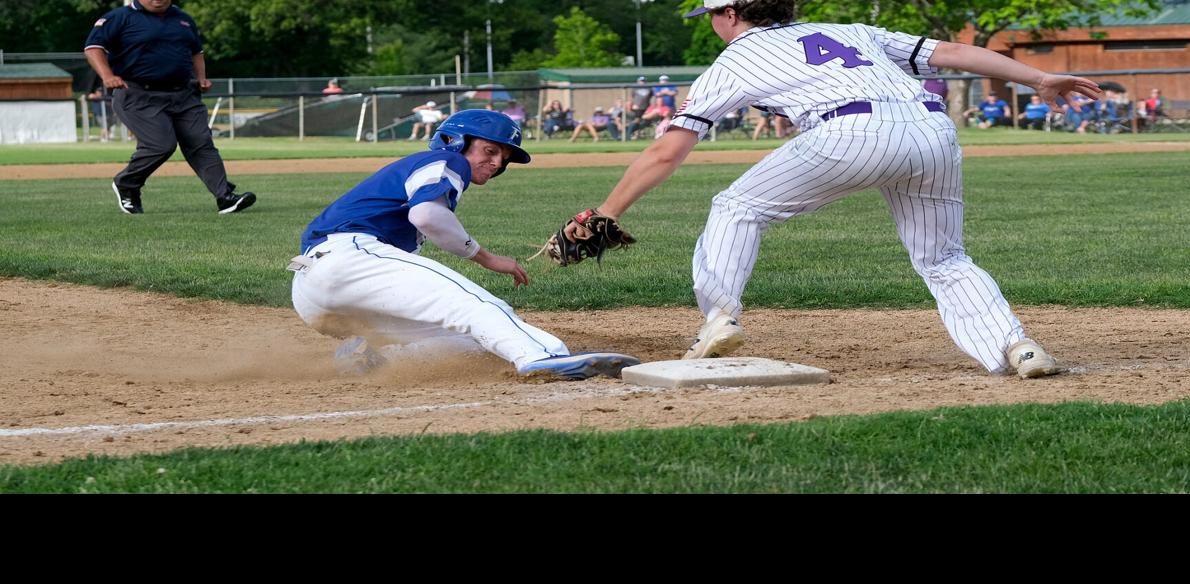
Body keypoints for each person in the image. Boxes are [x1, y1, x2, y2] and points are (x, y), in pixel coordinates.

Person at [564, 0, 1098, 377]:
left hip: (850, 133)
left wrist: (605, 211)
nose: (712, 26)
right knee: (943, 257)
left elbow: (667, 150)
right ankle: (1017, 348)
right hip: (933, 130)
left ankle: (719, 319)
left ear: (730, 13)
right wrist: (1036, 78)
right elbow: (954, 51)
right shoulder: (852, 30)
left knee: (738, 207)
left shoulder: (737, 56)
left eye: (711, 16)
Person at [289, 109, 637, 381]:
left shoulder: (430, 169)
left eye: (503, 158)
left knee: (477, 339)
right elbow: (425, 215)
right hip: (350, 259)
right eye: (489, 150)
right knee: (477, 306)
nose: (497, 162)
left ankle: (378, 360)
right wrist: (486, 258)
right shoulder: (447, 161)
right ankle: (545, 356)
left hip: (312, 293)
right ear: (456, 141)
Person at [84, 0, 256, 216]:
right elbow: (93, 48)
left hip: (184, 93)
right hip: (138, 93)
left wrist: (201, 78)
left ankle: (225, 198)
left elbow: (196, 51)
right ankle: (127, 184)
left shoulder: (183, 19)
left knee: (200, 142)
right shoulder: (119, 17)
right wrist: (107, 76)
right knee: (160, 145)